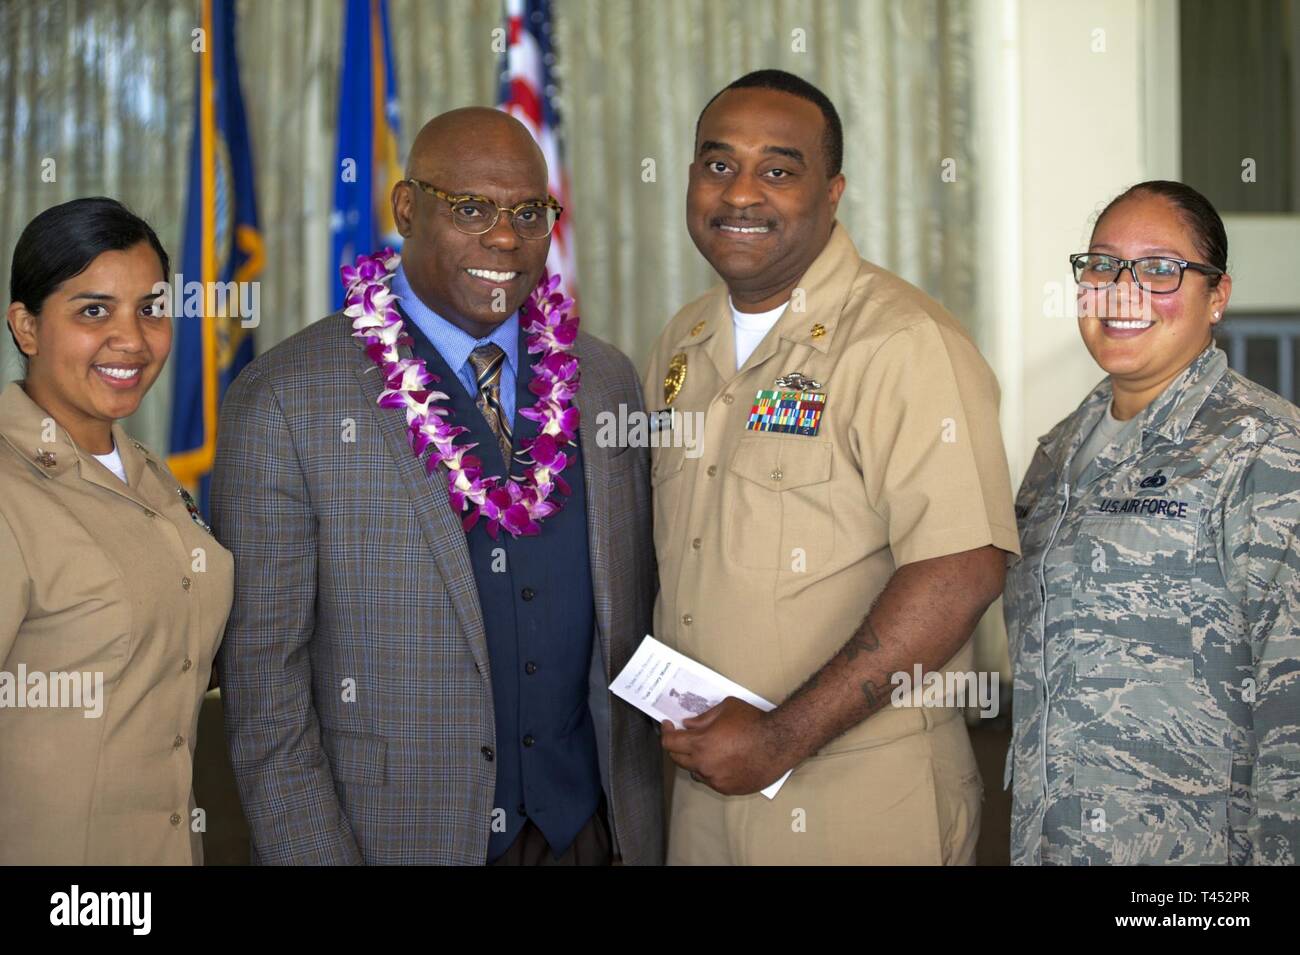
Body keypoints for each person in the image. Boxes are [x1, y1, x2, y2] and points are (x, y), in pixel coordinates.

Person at [212, 108, 663, 865]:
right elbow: (266, 703)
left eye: (529, 212)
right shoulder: (286, 400)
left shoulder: (607, 381)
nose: (505, 238)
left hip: (588, 831)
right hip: (395, 839)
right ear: (406, 209)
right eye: (471, 208)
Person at [643, 70, 1019, 865]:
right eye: (718, 164)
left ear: (833, 191)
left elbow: (962, 570)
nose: (741, 192)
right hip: (704, 789)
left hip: (857, 796)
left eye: (778, 170)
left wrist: (781, 737)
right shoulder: (683, 341)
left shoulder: (902, 343)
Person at [1004, 180, 1300, 866]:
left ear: (1217, 295)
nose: (1123, 290)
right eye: (1103, 265)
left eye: (1161, 270)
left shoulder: (1264, 451)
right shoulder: (1058, 452)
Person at [0, 197, 232, 864]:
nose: (132, 338)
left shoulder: (151, 476)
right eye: (93, 310)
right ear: (27, 327)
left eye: (151, 308)